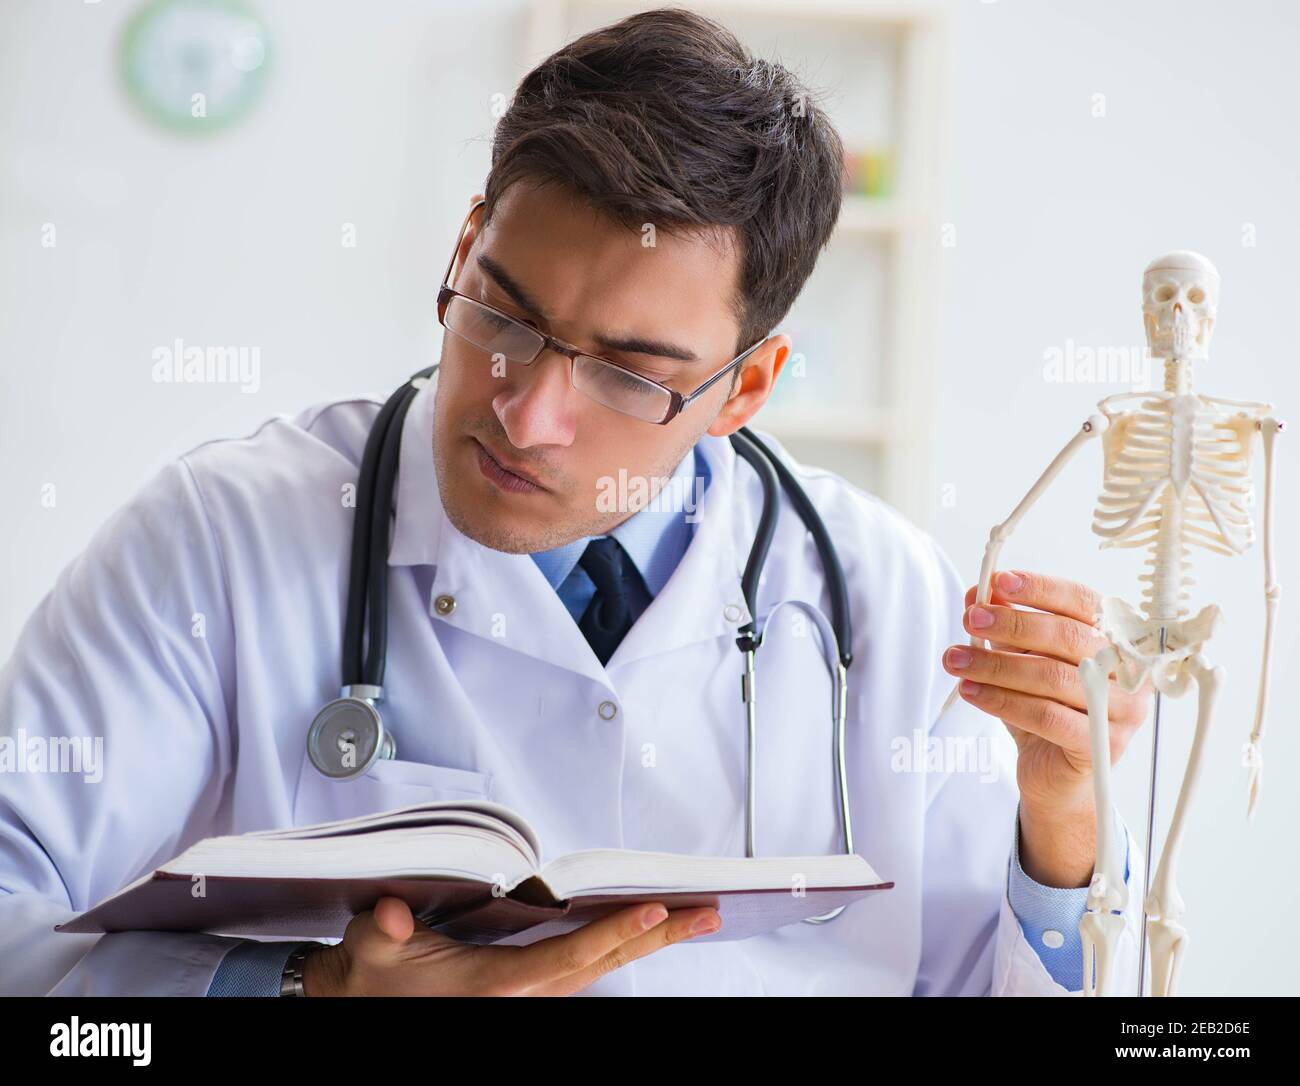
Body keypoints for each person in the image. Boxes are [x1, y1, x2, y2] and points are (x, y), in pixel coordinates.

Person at [0, 8, 1150, 997]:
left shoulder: (886, 603)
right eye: (501, 314)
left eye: (626, 373)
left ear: (744, 387)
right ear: (464, 243)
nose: (527, 414)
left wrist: (1063, 826)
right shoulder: (222, 537)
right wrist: (295, 987)